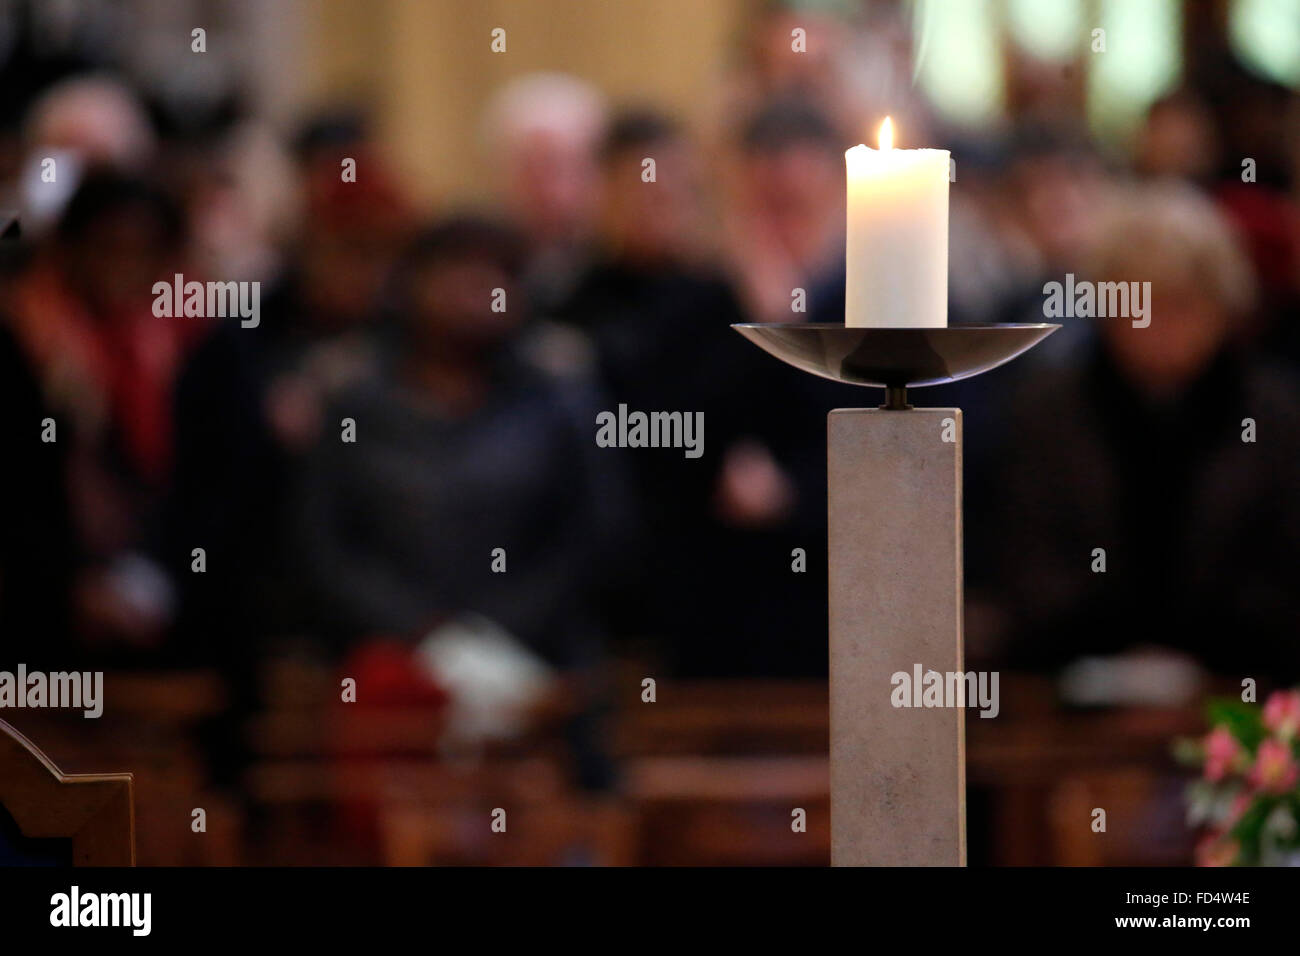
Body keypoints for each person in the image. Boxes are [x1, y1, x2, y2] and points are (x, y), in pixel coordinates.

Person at [972, 184, 1300, 683]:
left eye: (1182, 305)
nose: (1160, 329)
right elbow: (1025, 561)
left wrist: (1202, 659)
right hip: (1069, 693)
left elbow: (1281, 571)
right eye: (1141, 307)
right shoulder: (1048, 408)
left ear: (1222, 306)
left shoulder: (1274, 414)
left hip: (1237, 688)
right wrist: (1109, 660)